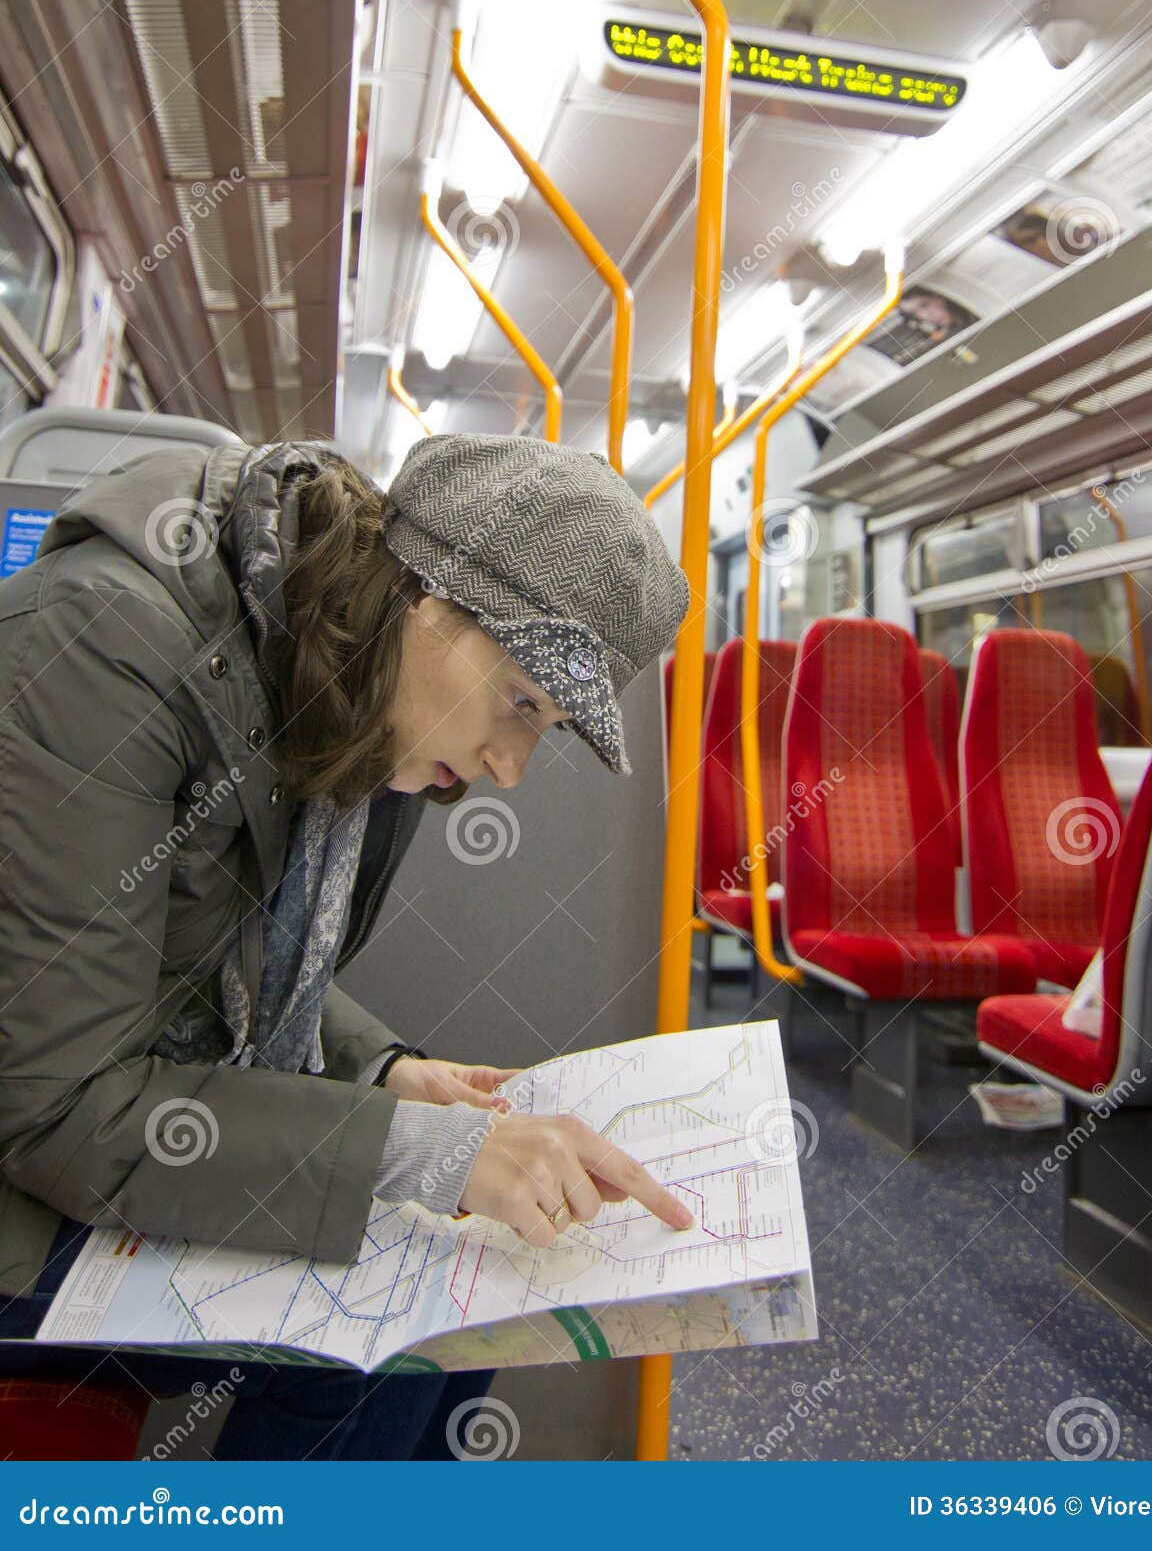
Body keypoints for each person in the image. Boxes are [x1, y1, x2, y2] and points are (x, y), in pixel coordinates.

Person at [0, 431, 692, 1459]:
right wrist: (417, 1154)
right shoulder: (105, 647)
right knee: (380, 1335)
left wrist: (382, 1071)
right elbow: (55, 1100)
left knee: (459, 1308)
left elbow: (206, 957)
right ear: (428, 599)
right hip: (31, 1164)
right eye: (522, 704)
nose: (510, 767)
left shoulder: (338, 681)